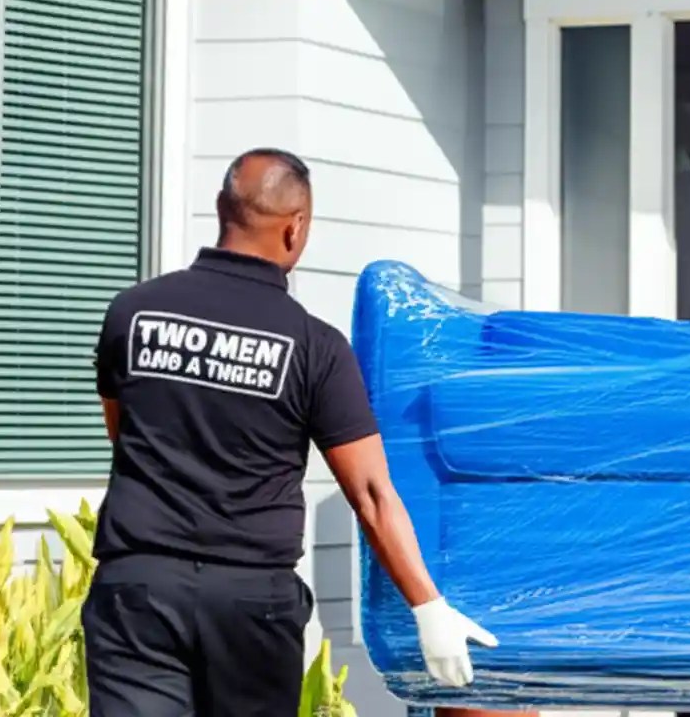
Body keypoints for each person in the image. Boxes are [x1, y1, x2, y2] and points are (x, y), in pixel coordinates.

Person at [84, 148, 496, 716]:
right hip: (250, 604)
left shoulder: (131, 313)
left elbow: (122, 434)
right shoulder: (314, 346)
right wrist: (428, 607)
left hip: (140, 589)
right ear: (295, 227)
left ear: (220, 210)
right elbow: (372, 493)